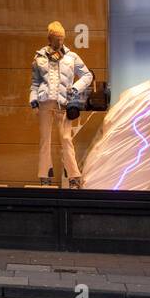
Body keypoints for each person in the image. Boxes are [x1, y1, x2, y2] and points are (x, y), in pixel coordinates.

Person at [28, 21, 93, 189]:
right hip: (45, 103)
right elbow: (35, 83)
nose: (60, 42)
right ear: (50, 38)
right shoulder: (39, 57)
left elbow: (87, 75)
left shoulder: (71, 57)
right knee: (45, 139)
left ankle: (74, 176)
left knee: (66, 139)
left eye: (62, 38)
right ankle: (44, 175)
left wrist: (75, 88)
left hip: (63, 103)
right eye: (57, 38)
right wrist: (33, 99)